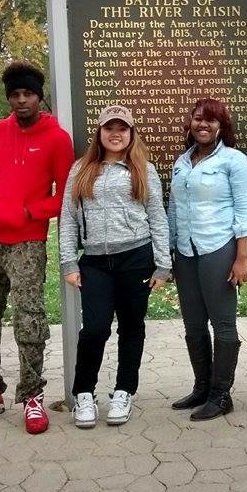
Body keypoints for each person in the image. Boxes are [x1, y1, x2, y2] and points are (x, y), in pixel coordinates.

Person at [0, 61, 74, 434]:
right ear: (9, 98)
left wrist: (28, 211)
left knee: (29, 318)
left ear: (39, 97)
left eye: (28, 94)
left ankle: (32, 395)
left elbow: (64, 196)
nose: (21, 101)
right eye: (15, 95)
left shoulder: (57, 139)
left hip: (27, 242)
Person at [59, 104, 171, 428]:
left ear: (131, 133)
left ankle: (124, 391)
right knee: (94, 329)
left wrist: (162, 265)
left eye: (122, 128)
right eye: (110, 128)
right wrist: (69, 262)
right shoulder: (81, 168)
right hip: (94, 262)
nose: (116, 133)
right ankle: (84, 393)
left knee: (132, 327)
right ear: (100, 132)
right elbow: (67, 218)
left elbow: (158, 218)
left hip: (136, 258)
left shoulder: (143, 169)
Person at [168, 98, 247, 421]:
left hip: (218, 249)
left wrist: (242, 258)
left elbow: (245, 213)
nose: (203, 125)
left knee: (222, 324)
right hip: (186, 253)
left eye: (211, 120)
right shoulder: (182, 162)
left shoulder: (235, 162)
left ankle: (222, 394)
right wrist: (170, 250)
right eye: (197, 119)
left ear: (222, 126)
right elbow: (174, 209)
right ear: (190, 123)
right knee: (193, 325)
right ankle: (202, 387)